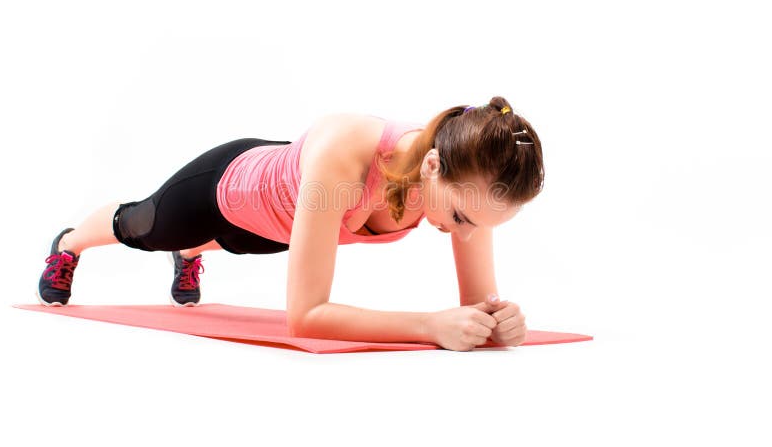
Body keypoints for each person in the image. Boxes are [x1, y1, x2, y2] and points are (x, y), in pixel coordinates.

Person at [37, 96, 544, 351]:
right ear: (432, 165)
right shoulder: (348, 153)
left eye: (480, 224)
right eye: (460, 218)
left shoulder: (472, 185)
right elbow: (305, 316)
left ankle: (193, 255)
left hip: (274, 230)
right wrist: (428, 327)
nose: (467, 235)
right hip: (224, 189)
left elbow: (477, 304)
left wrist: (498, 323)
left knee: (233, 243)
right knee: (144, 226)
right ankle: (70, 242)